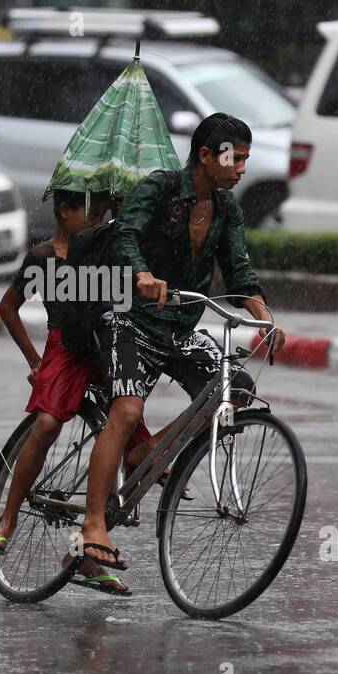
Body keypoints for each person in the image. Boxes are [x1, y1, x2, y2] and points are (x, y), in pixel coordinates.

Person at [77, 113, 288, 577]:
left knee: (237, 389)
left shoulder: (227, 208)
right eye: (236, 158)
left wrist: (263, 315)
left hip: (179, 328)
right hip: (131, 318)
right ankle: (93, 527)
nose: (242, 169)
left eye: (247, 160)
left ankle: (147, 455)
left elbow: (239, 271)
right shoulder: (160, 187)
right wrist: (142, 274)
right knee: (127, 411)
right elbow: (126, 235)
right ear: (206, 155)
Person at [0, 189, 150, 596]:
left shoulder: (108, 249)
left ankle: (88, 553)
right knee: (49, 422)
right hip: (65, 346)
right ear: (63, 211)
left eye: (102, 212)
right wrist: (34, 361)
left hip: (106, 344)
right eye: (89, 213)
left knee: (123, 430)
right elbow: (8, 308)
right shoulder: (43, 258)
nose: (96, 220)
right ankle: (7, 521)